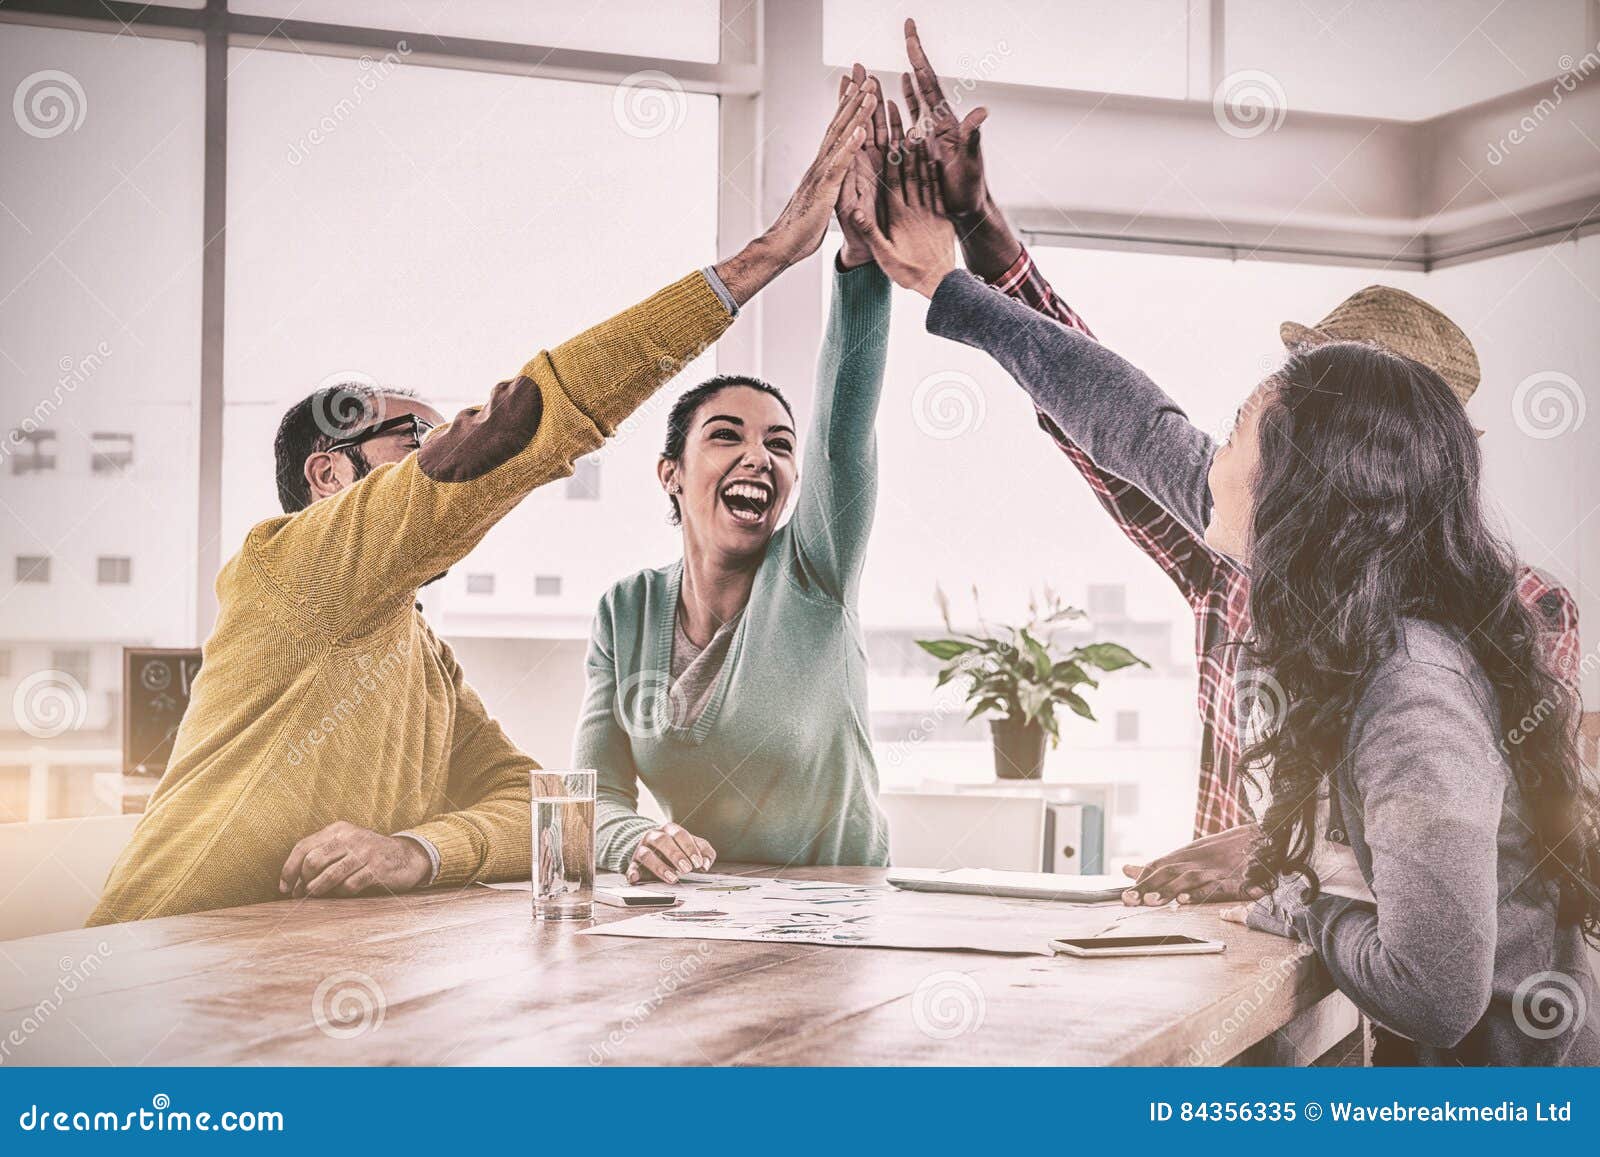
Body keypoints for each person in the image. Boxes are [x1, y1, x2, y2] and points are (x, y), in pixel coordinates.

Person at [853, 128, 1600, 1064]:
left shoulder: (1430, 662)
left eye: (1261, 418)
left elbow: (1440, 979)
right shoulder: (1287, 565)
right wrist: (962, 273)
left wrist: (1285, 872)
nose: (1216, 455)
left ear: (1334, 459)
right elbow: (1118, 414)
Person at [87, 82, 879, 925]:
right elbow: (518, 426)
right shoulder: (292, 564)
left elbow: (531, 806)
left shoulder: (419, 653)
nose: (436, 455)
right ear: (329, 478)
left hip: (296, 976)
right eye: (413, 442)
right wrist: (760, 260)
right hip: (159, 964)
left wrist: (417, 850)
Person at [891, 18, 1581, 907]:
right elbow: (1109, 413)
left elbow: (1475, 833)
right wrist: (979, 236)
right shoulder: (1239, 541)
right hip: (1237, 973)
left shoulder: (1522, 612)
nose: (1257, 445)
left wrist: (1272, 847)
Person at [575, 69, 898, 885]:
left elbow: (842, 433)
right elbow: (596, 794)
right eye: (727, 437)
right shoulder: (625, 612)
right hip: (707, 918)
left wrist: (859, 260)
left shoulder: (815, 569)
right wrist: (627, 841)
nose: (761, 457)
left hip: (844, 919)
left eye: (778, 446)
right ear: (671, 474)